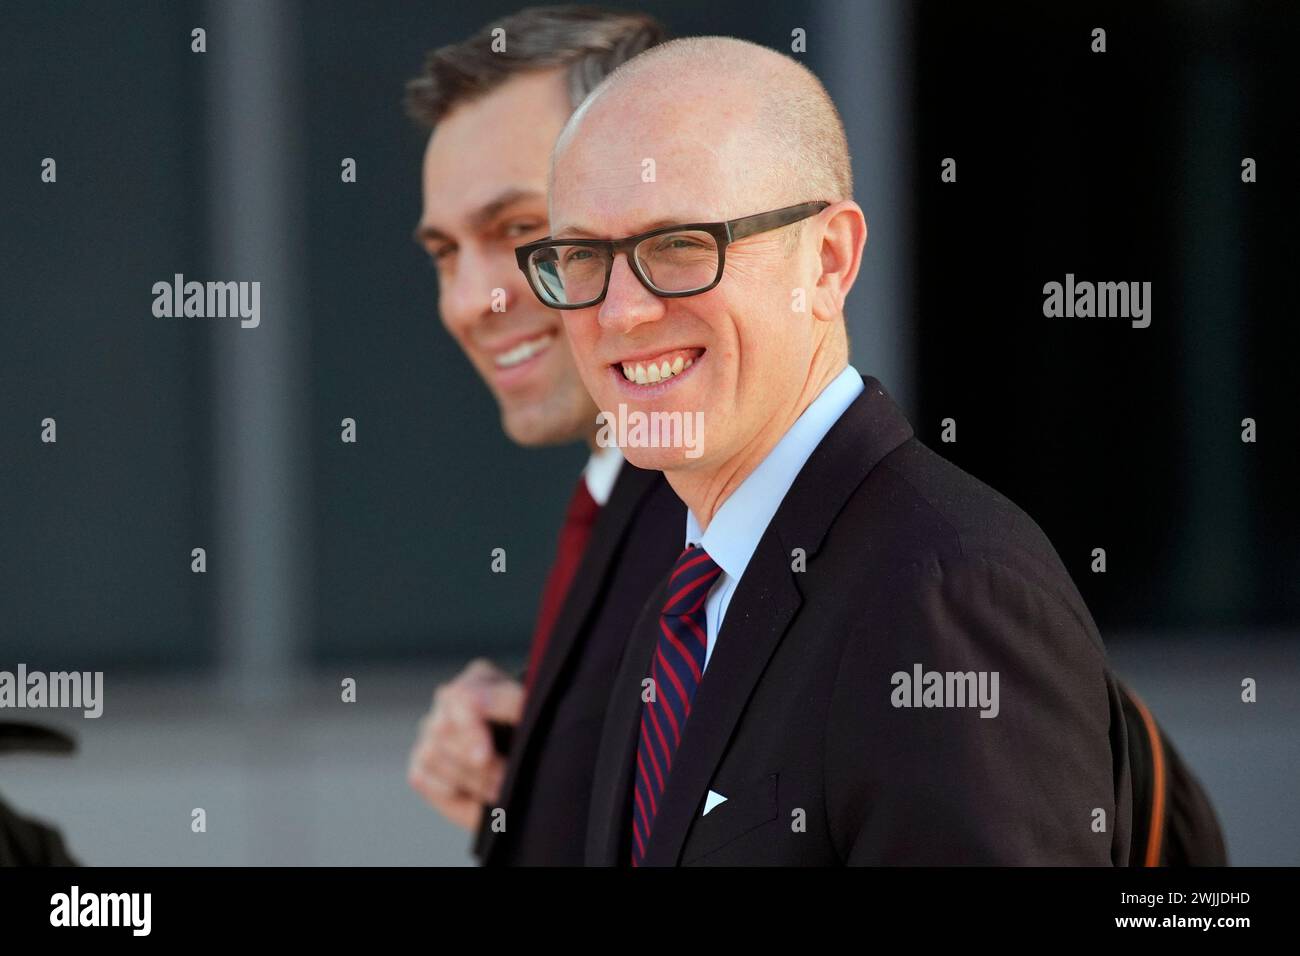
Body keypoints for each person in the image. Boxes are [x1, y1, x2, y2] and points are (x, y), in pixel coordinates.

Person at [525, 35, 1137, 865]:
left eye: (678, 246)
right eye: (581, 255)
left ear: (827, 259)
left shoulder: (946, 592)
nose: (619, 312)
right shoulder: (684, 592)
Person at [403, 6, 681, 865]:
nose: (465, 303)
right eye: (446, 251)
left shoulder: (734, 539)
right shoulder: (634, 505)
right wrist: (533, 753)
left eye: (520, 231)